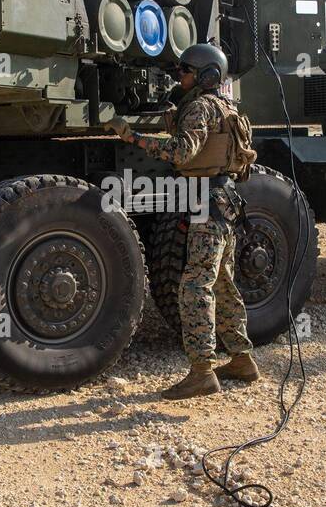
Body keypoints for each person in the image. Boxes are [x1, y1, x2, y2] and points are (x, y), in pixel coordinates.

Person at [104, 43, 259, 399]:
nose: (179, 76)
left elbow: (180, 152)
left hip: (208, 201)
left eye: (185, 71)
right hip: (225, 200)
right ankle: (241, 359)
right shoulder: (224, 106)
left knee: (194, 288)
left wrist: (131, 136)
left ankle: (202, 371)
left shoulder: (200, 109)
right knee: (222, 283)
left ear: (206, 75)